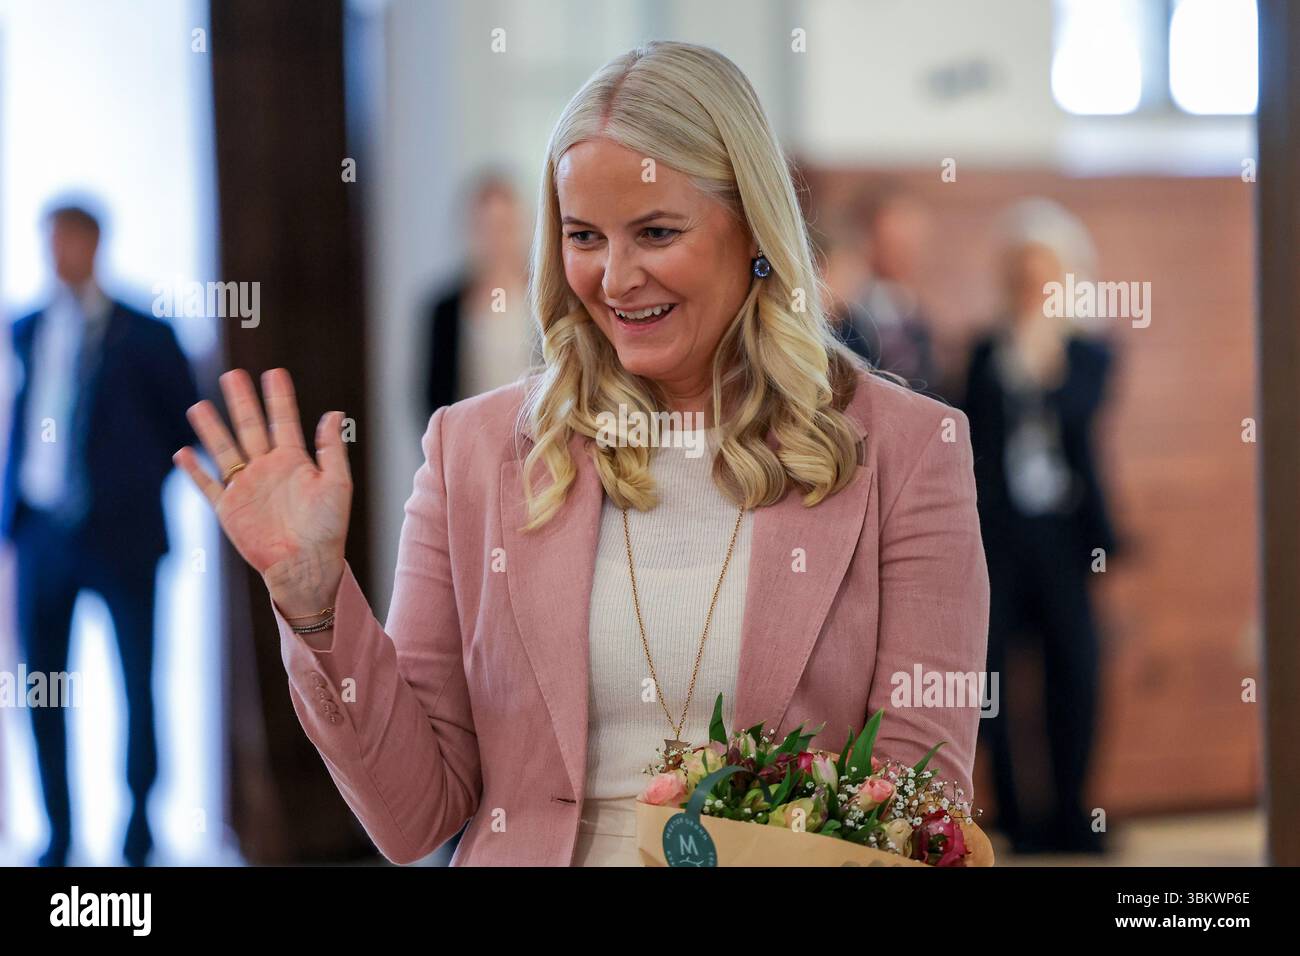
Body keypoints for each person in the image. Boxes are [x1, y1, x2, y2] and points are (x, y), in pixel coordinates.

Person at [174, 41, 990, 866]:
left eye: (656, 232)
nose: (616, 277)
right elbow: (414, 814)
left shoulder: (908, 451)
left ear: (753, 227)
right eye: (584, 237)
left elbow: (917, 811)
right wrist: (314, 601)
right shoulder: (474, 451)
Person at [1, 201, 200, 866]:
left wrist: (131, 487)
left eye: (68, 241)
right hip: (41, 536)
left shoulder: (145, 334)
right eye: (48, 242)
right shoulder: (25, 328)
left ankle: (139, 825)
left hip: (123, 535)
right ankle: (58, 831)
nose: (58, 255)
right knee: (43, 686)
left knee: (138, 681)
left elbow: (185, 426)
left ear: (94, 244)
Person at [960, 198, 1121, 855]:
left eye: (1044, 275)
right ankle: (1018, 818)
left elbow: (1079, 412)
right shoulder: (981, 353)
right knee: (995, 679)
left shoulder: (1086, 353)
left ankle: (1073, 814)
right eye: (1021, 274)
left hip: (1063, 537)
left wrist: (1040, 352)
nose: (1031, 287)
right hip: (998, 541)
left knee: (1075, 674)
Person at [424, 173, 537, 418]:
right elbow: (433, 395)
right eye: (487, 227)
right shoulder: (446, 308)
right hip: (470, 441)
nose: (497, 239)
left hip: (538, 437)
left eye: (505, 226)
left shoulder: (546, 298)